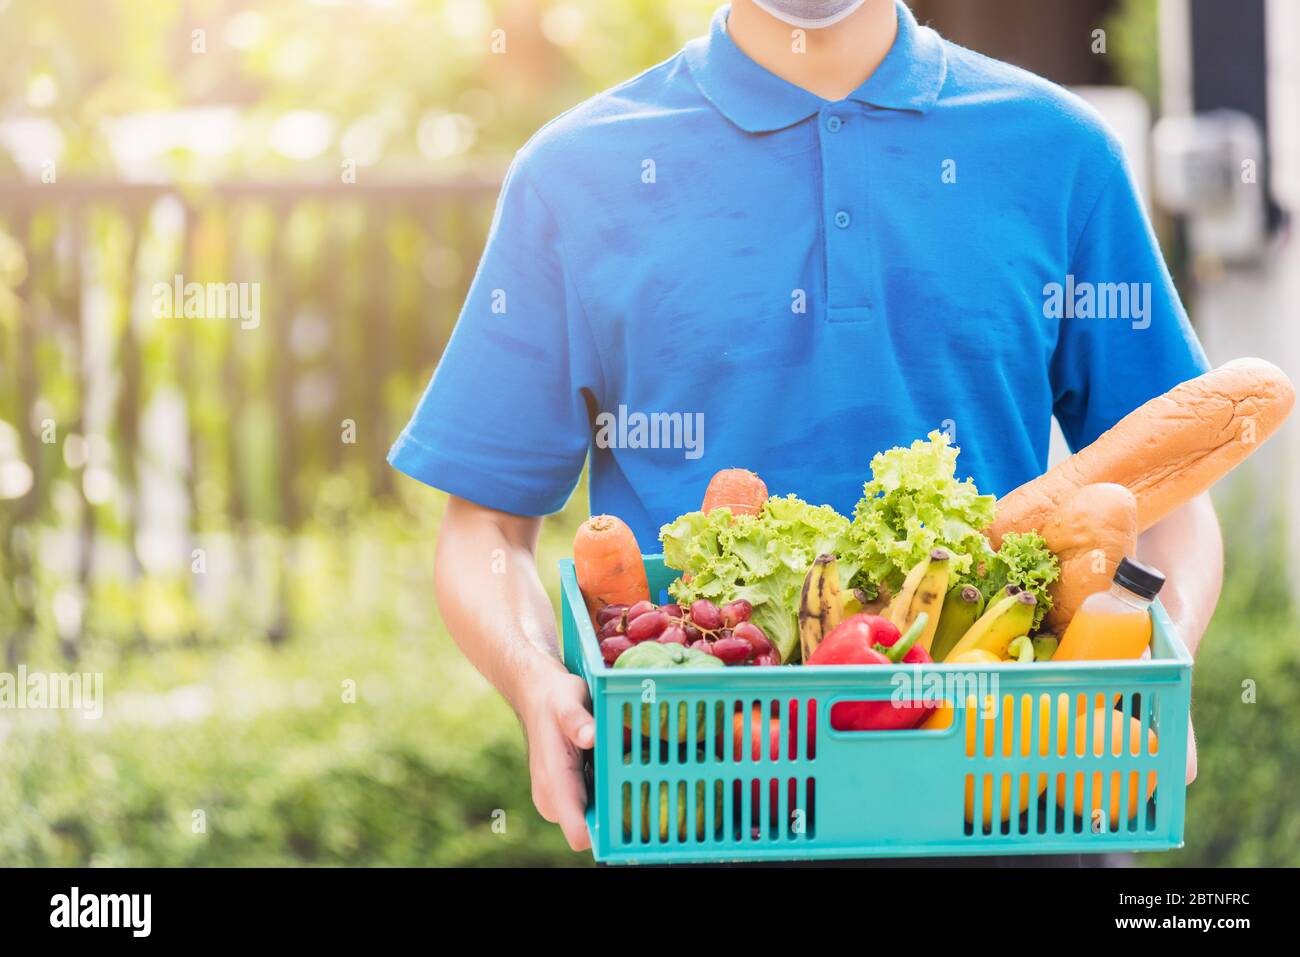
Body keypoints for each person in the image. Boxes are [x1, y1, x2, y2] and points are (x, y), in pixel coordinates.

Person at [388, 0, 1221, 856]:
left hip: (1012, 806)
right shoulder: (573, 176)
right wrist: (533, 678)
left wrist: (1166, 648)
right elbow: (486, 527)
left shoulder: (1061, 153)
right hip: (699, 804)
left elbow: (1173, 492)